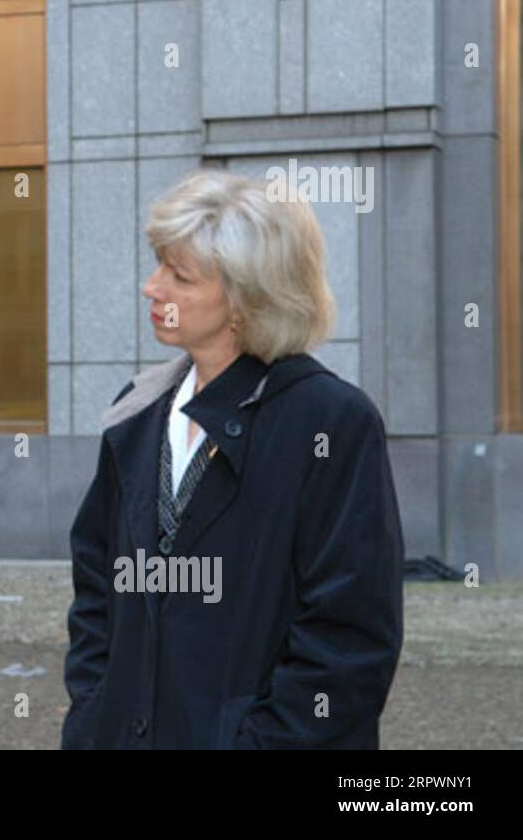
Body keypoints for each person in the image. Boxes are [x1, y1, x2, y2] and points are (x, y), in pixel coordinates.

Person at [61, 170, 403, 749]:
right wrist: (95, 717)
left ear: (246, 297)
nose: (151, 287)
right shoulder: (137, 410)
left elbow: (349, 638)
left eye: (180, 274)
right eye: (158, 264)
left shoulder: (331, 422)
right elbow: (97, 590)